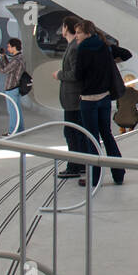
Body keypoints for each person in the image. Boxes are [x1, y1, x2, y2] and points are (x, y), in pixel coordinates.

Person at [73, 20, 124, 187]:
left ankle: (94, 178)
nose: (76, 36)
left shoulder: (83, 49)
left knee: (92, 138)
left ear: (87, 33)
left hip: (89, 99)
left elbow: (78, 75)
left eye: (79, 33)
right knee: (107, 135)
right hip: (105, 98)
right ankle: (118, 172)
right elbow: (124, 54)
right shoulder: (104, 46)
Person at [53, 16, 85, 178]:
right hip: (72, 99)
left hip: (73, 99)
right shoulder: (72, 46)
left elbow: (75, 74)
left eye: (63, 26)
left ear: (66, 28)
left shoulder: (74, 48)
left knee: (72, 132)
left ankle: (75, 165)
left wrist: (59, 74)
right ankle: (79, 164)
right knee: (74, 132)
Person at [0, 38, 26, 136]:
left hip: (12, 87)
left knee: (12, 111)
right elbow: (9, 67)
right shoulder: (18, 58)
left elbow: (4, 70)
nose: (8, 48)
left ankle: (12, 131)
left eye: (9, 46)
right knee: (17, 110)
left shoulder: (17, 59)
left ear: (14, 47)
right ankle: (20, 129)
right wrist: (3, 57)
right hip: (15, 87)